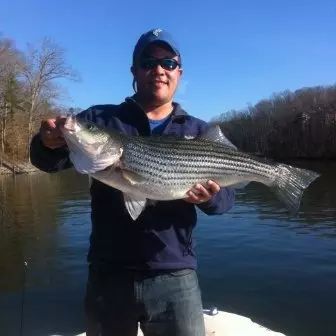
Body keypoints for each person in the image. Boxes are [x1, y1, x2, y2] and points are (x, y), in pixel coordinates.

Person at [30, 28, 235, 336]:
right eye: (148, 61)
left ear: (179, 72)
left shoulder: (199, 130)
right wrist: (47, 142)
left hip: (175, 275)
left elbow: (225, 202)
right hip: (108, 275)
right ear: (134, 70)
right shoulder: (100, 119)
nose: (158, 70)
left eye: (168, 63)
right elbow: (49, 162)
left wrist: (209, 197)